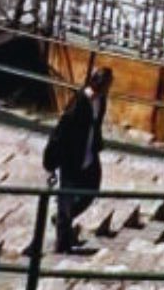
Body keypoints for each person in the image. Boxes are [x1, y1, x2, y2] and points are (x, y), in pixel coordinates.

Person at [42, 68, 113, 254]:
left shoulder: (101, 101)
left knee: (91, 190)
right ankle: (62, 244)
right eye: (108, 84)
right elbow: (61, 131)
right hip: (71, 157)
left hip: (89, 152)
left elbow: (96, 125)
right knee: (66, 198)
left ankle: (63, 220)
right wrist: (52, 160)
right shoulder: (79, 102)